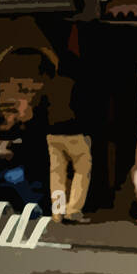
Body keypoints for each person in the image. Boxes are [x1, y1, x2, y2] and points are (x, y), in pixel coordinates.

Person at [40, 64, 92, 225]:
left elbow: (42, 106)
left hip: (52, 134)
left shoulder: (49, 85)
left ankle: (57, 212)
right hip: (73, 132)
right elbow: (83, 107)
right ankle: (73, 210)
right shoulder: (76, 84)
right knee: (82, 170)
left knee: (56, 175)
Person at [0, 97, 46, 216]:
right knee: (1, 174)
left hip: (28, 166)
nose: (15, 114)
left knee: (13, 177)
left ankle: (33, 209)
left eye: (18, 110)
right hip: (13, 165)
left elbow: (26, 150)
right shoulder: (11, 128)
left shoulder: (30, 127)